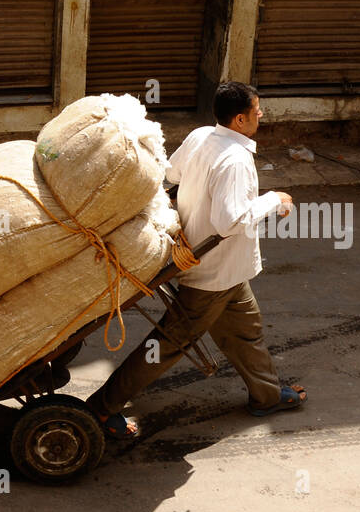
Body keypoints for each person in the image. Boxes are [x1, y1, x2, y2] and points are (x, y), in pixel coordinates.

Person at [86, 82, 307, 440]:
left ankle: (266, 396)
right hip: (210, 272)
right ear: (239, 119)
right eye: (257, 109)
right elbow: (229, 221)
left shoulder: (202, 135)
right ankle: (101, 407)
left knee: (246, 330)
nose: (261, 114)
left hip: (225, 269)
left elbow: (170, 176)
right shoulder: (236, 160)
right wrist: (273, 200)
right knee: (168, 344)